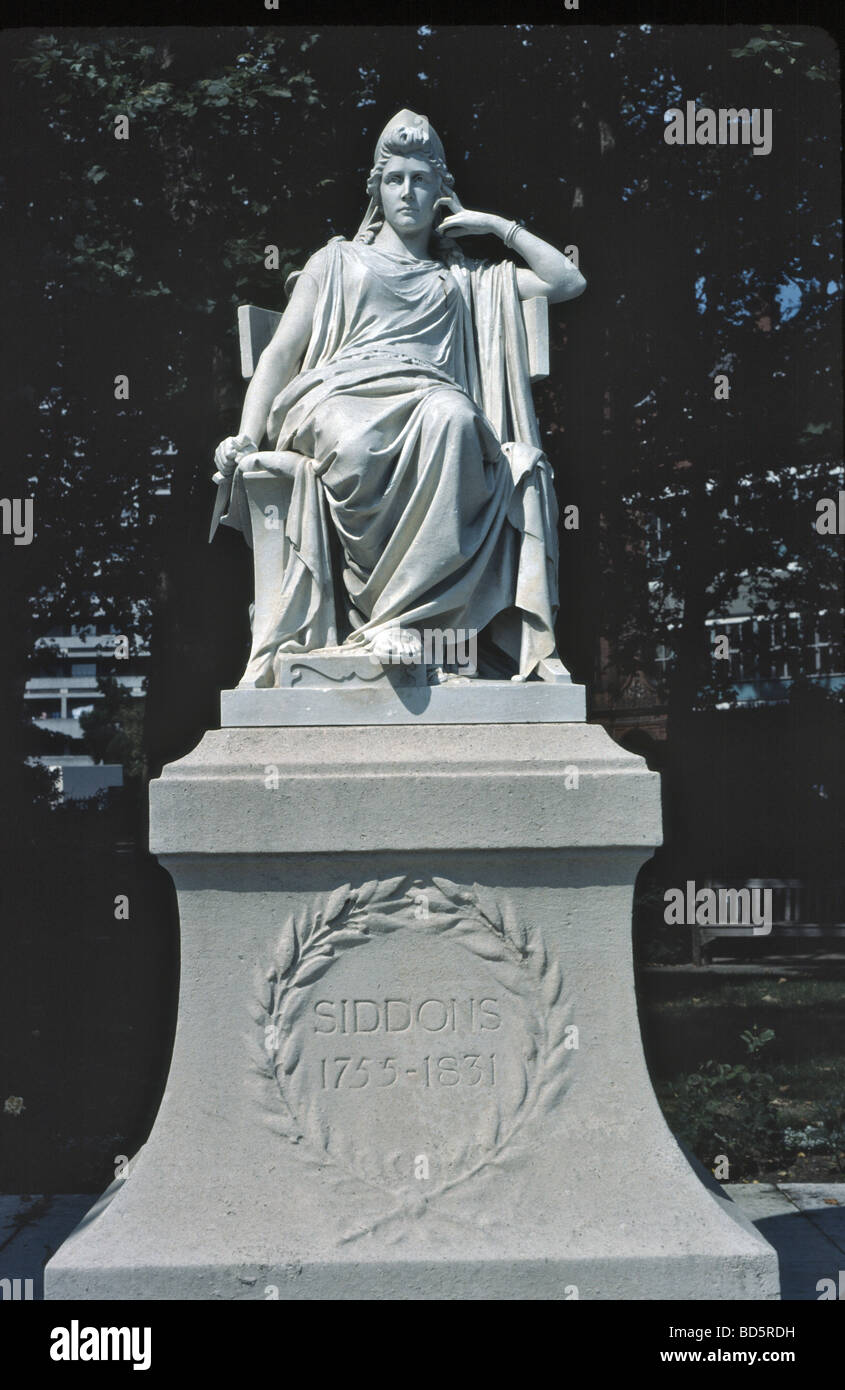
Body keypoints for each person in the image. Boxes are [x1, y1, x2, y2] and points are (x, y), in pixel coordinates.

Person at [212, 110, 586, 687]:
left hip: (430, 395)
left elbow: (566, 282)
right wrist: (245, 433)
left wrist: (490, 224)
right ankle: (383, 624)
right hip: (337, 393)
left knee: (458, 420)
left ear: (442, 191)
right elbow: (280, 356)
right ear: (376, 189)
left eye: (420, 179)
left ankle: (405, 622)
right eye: (394, 179)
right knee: (360, 443)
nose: (407, 192)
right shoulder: (336, 260)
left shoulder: (461, 277)